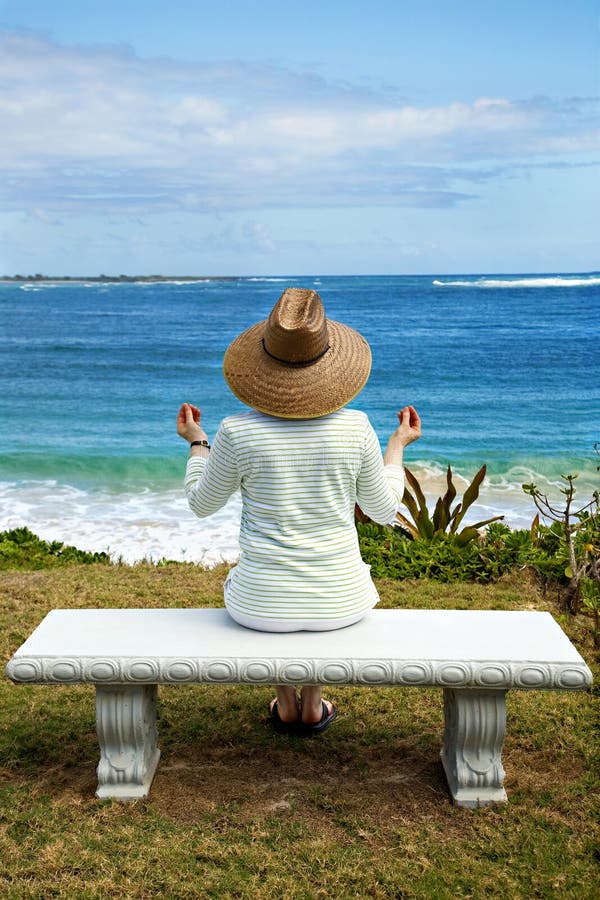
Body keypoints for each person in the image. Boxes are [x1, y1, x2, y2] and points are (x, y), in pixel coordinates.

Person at [177, 287, 421, 734]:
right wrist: (396, 448)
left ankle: (285, 701)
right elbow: (384, 509)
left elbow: (200, 504)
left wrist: (198, 443)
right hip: (342, 600)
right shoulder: (356, 426)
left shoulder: (236, 431)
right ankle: (313, 703)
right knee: (312, 597)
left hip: (258, 604)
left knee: (271, 588)